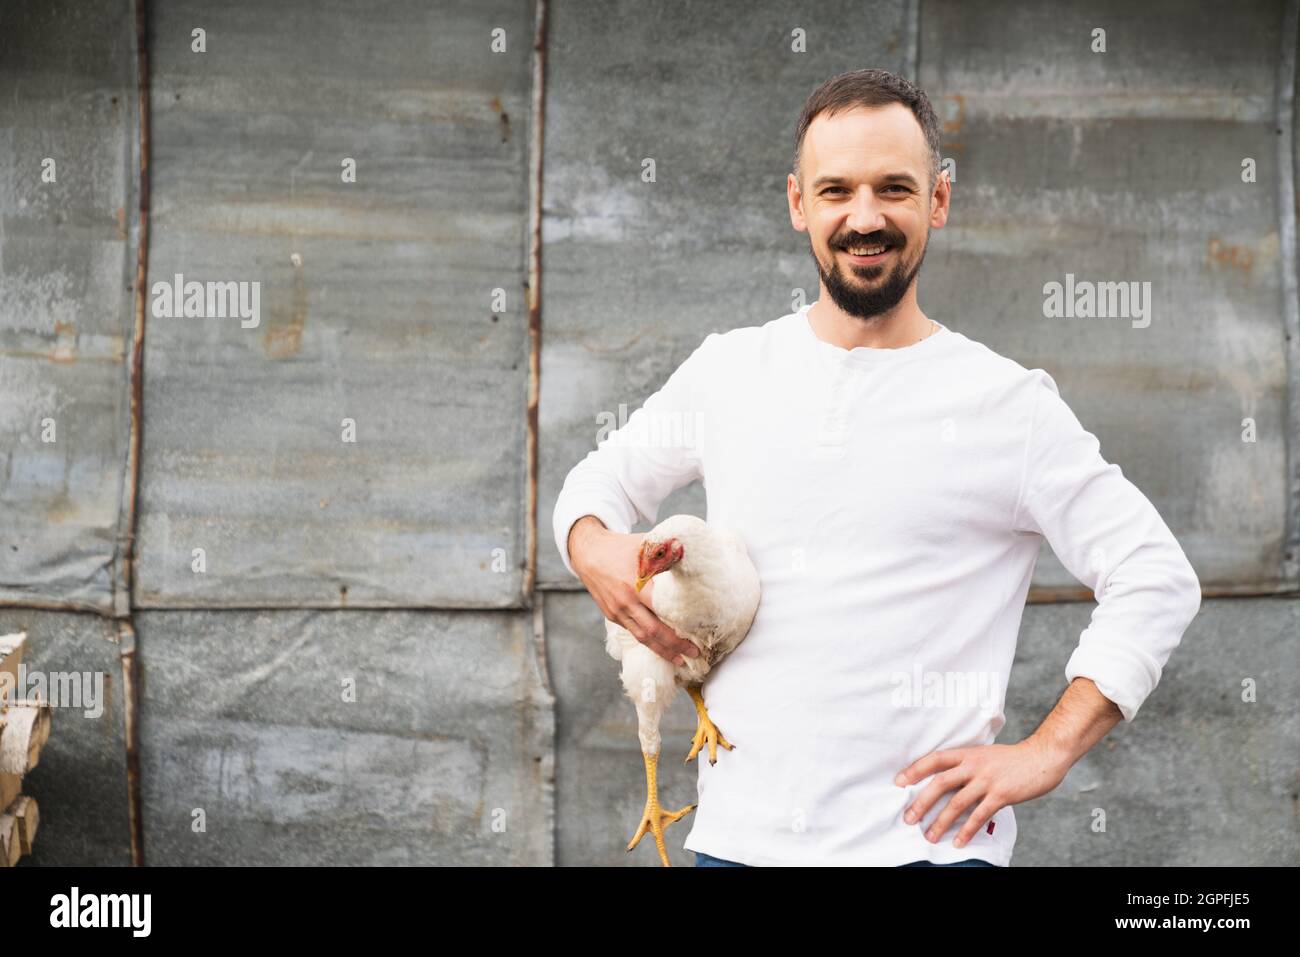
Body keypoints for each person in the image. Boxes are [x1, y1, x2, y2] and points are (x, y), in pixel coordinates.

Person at [553, 68, 1201, 867]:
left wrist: (1048, 750)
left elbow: (1155, 575)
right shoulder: (728, 371)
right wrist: (594, 549)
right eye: (836, 191)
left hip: (929, 854)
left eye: (895, 188)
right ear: (798, 203)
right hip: (735, 849)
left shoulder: (1007, 404)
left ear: (938, 200)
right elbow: (595, 486)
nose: (865, 218)